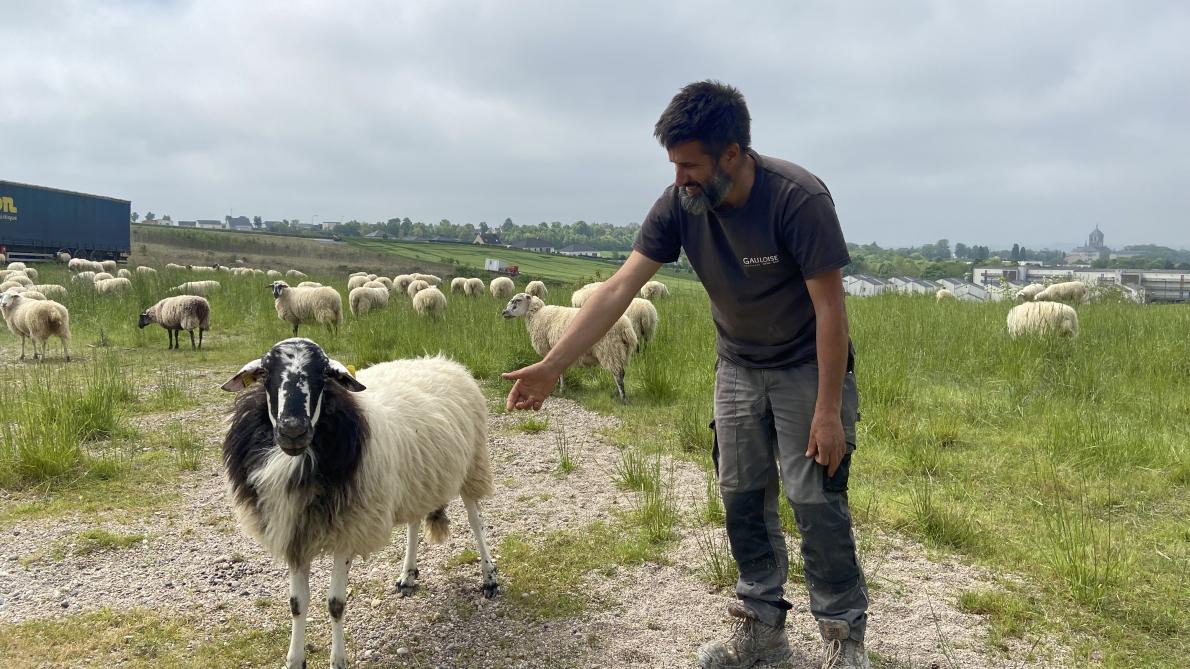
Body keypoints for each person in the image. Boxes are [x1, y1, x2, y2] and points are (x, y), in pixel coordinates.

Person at [502, 80, 869, 669]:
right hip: (738, 366)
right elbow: (618, 289)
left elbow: (831, 309)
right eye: (673, 165)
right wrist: (552, 365)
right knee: (741, 494)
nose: (679, 179)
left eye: (690, 165)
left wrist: (828, 411)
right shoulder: (679, 205)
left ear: (733, 154)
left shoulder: (797, 199)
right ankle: (762, 631)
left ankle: (842, 636)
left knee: (815, 497)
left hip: (806, 366)